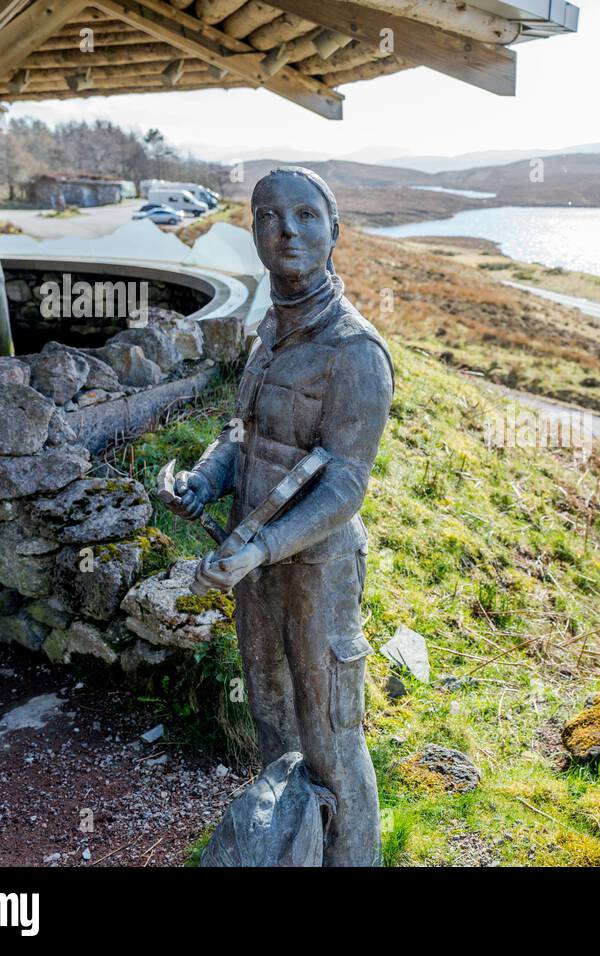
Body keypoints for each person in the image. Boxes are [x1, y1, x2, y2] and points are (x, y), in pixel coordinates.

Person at [164, 166, 393, 866]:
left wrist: (263, 548)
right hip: (253, 564)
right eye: (267, 216)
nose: (285, 229)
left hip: (317, 575)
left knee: (330, 739)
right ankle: (293, 851)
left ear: (334, 233)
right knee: (272, 722)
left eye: (304, 216)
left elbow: (346, 485)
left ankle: (354, 858)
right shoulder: (269, 334)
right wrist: (205, 480)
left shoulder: (356, 353)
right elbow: (242, 436)